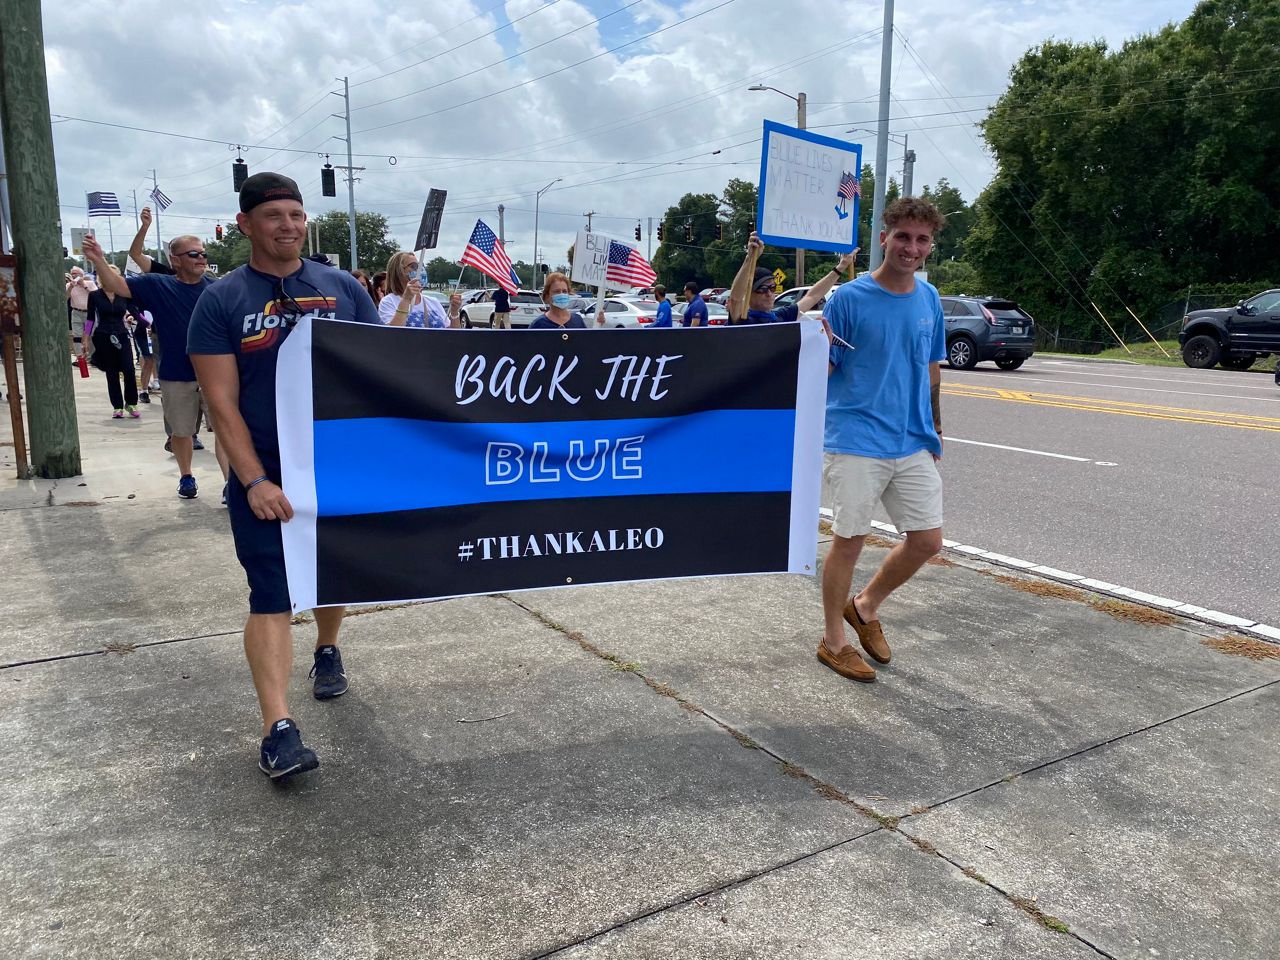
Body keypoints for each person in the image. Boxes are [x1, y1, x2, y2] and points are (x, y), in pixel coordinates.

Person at [188, 171, 381, 781]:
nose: (289, 226)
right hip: (265, 472)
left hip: (336, 467)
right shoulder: (221, 300)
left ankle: (327, 648)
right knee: (270, 590)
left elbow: (384, 370)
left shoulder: (343, 288)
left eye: (296, 215)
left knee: (332, 575)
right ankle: (278, 729)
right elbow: (222, 404)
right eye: (274, 216)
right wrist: (252, 481)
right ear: (246, 225)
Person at [817, 197, 947, 684]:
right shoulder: (848, 299)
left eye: (921, 239)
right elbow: (825, 368)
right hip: (855, 438)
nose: (911, 248)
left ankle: (865, 606)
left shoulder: (929, 298)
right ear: (884, 238)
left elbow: (931, 368)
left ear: (930, 245)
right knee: (849, 542)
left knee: (927, 541)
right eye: (903, 237)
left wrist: (935, 427)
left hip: (912, 439)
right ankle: (833, 641)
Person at [83, 230, 214, 500]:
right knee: (181, 431)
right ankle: (186, 476)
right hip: (174, 371)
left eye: (203, 253)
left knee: (225, 431)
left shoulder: (215, 289)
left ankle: (230, 485)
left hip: (216, 373)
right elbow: (119, 285)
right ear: (175, 260)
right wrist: (97, 259)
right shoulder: (158, 284)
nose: (201, 258)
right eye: (194, 254)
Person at [727, 233, 856, 324]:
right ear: (749, 293)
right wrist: (750, 258)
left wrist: (841, 266)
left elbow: (812, 296)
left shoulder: (781, 317)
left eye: (772, 288)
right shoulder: (742, 319)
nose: (769, 293)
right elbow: (735, 299)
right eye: (763, 289)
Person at [86, 265, 140, 418]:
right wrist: (85, 337)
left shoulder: (123, 294)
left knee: (129, 369)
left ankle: (131, 402)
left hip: (121, 334)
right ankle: (117, 406)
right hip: (103, 335)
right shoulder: (95, 295)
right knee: (112, 372)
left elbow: (135, 311)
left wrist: (146, 322)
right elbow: (90, 318)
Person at [378, 252, 461, 328]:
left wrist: (454, 312)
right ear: (399, 271)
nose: (419, 270)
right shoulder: (388, 302)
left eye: (421, 266)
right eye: (413, 266)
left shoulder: (433, 302)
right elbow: (392, 334)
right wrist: (406, 300)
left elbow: (453, 336)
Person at [127, 207, 176, 276]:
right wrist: (145, 226)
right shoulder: (166, 274)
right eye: (192, 254)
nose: (196, 258)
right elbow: (135, 254)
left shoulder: (197, 279)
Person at [65, 266, 98, 363]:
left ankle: (92, 357)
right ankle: (80, 358)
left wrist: (84, 285)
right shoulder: (69, 285)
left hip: (89, 315)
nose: (74, 276)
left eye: (76, 274)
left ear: (82, 275)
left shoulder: (90, 284)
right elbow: (65, 298)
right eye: (73, 274)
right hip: (76, 313)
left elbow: (96, 296)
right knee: (77, 336)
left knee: (90, 334)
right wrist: (70, 287)